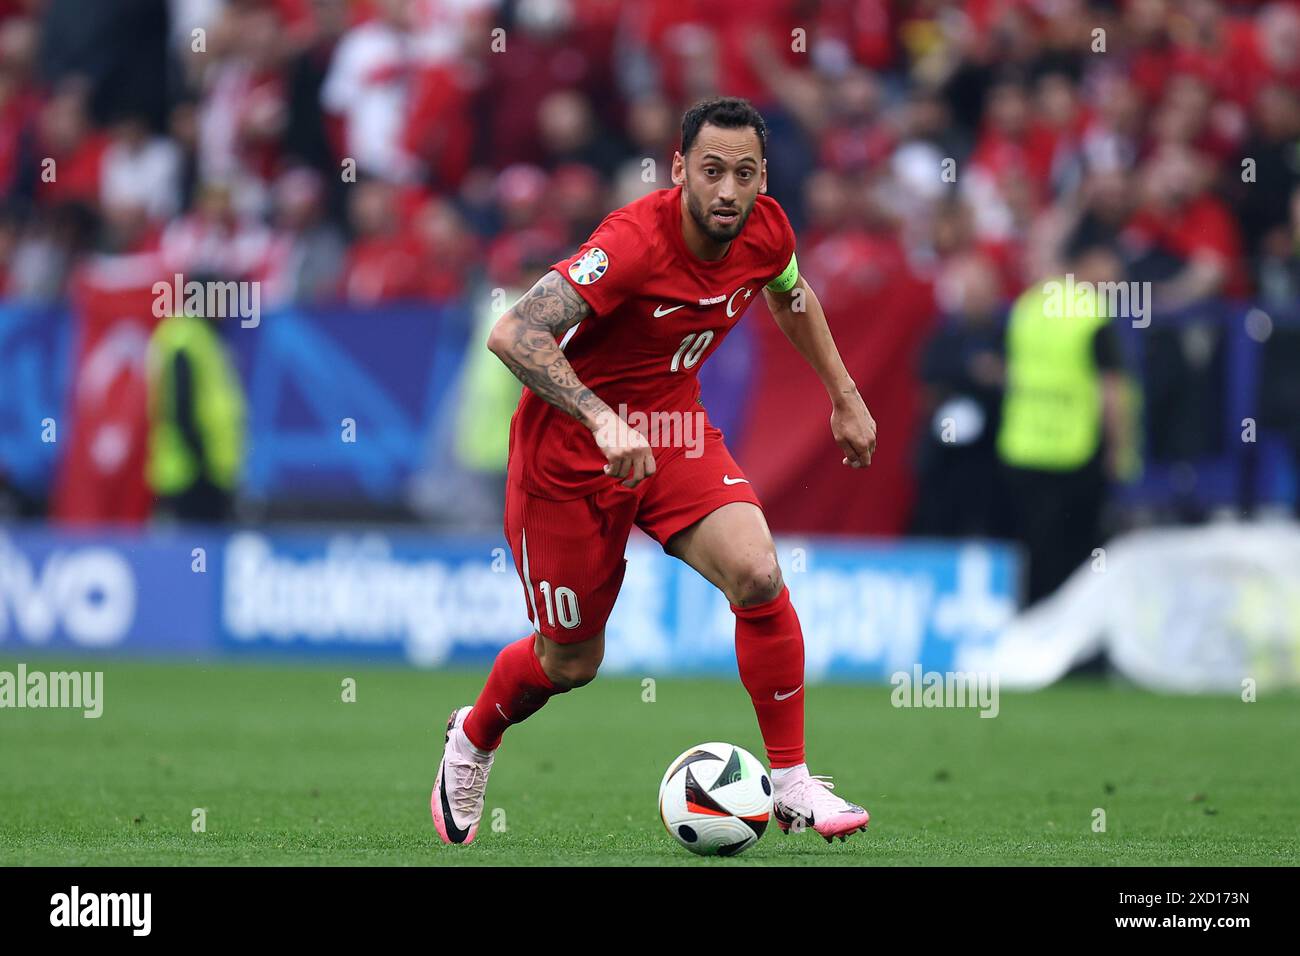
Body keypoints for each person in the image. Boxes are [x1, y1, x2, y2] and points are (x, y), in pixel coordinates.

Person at [432, 98, 878, 846]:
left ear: (764, 176)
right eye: (711, 172)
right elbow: (514, 331)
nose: (728, 191)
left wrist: (845, 393)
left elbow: (791, 295)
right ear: (680, 170)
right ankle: (473, 736)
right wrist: (601, 418)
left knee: (759, 575)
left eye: (744, 173)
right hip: (568, 455)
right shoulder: (632, 241)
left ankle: (795, 783)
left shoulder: (769, 231)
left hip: (672, 433)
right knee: (569, 661)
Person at [146, 292, 247, 524]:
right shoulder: (186, 338)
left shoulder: (203, 335)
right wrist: (202, 460)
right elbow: (180, 406)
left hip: (207, 470)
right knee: (192, 545)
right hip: (191, 472)